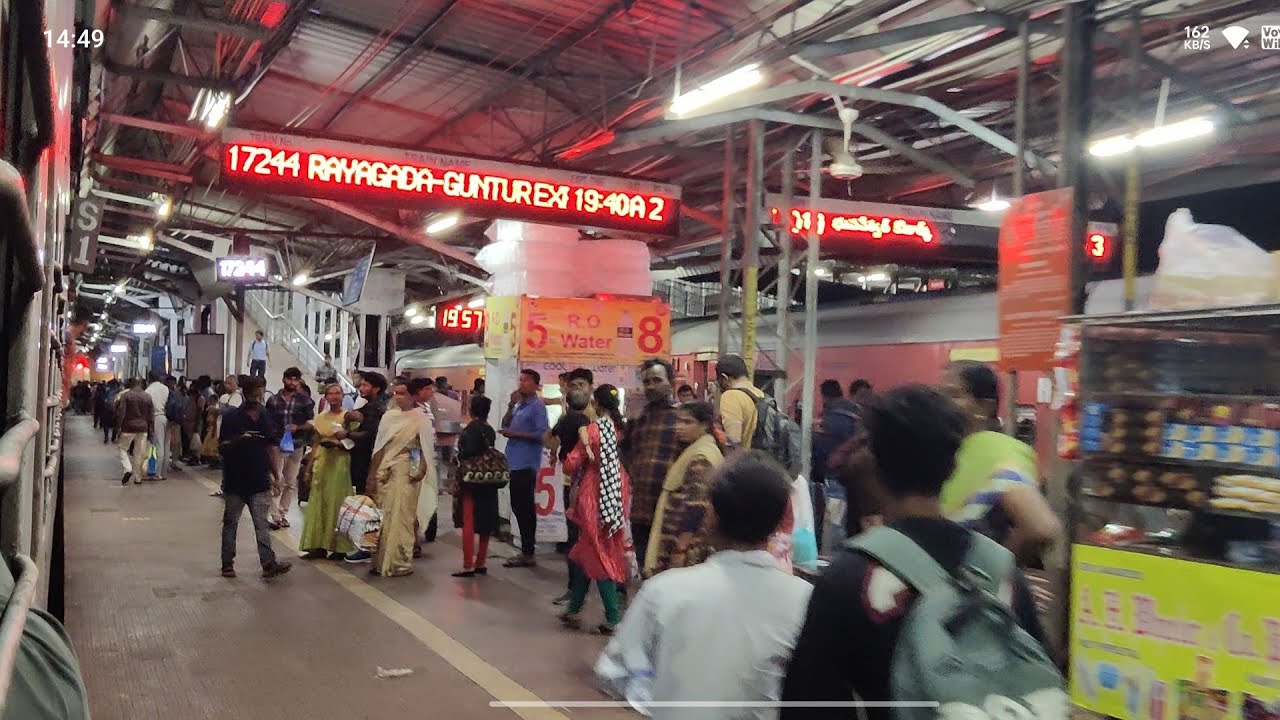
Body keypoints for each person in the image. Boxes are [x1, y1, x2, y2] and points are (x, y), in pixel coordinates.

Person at [779, 385, 1049, 718]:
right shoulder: (1002, 572)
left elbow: (808, 704)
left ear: (874, 466)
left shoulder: (851, 577)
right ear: (952, 468)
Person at [596, 451, 812, 718]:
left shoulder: (663, 591)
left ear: (713, 516)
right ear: (780, 520)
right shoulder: (806, 600)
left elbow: (615, 672)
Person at [940, 361, 1062, 564]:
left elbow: (1041, 529)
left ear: (984, 407)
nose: (941, 402)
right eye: (939, 394)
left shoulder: (999, 450)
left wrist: (998, 569)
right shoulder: (953, 449)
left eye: (953, 394)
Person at [560, 385, 632, 634]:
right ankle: (574, 608)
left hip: (594, 496)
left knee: (598, 553)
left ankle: (613, 617)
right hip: (617, 493)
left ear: (597, 404)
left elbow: (571, 465)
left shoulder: (592, 430)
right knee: (586, 551)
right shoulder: (622, 430)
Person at [218, 377, 293, 580]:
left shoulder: (265, 416)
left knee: (262, 524)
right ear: (245, 392)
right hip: (235, 479)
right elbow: (221, 447)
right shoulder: (231, 417)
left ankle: (268, 563)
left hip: (259, 479)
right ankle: (227, 564)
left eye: (260, 390)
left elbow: (270, 447)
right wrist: (238, 440)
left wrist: (276, 476)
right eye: (254, 391)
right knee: (231, 522)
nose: (257, 395)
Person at [644, 401, 725, 577]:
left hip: (688, 546)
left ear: (704, 425)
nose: (679, 427)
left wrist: (681, 548)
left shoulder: (701, 456)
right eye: (678, 421)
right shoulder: (699, 449)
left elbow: (697, 505)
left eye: (687, 422)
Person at [367, 380, 437, 577]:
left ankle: (399, 562)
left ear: (412, 395)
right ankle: (380, 561)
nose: (398, 397)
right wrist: (372, 476)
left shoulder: (420, 418)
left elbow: (425, 449)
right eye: (395, 393)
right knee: (384, 516)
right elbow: (379, 448)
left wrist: (422, 468)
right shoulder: (388, 417)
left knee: (403, 516)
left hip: (406, 471)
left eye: (402, 393)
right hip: (385, 471)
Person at [621, 358, 681, 570]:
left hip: (671, 511)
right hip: (641, 508)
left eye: (657, 380)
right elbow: (625, 451)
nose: (651, 386)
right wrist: (637, 473)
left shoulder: (684, 418)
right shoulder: (639, 419)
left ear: (671, 382)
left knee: (668, 570)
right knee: (645, 566)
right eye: (647, 382)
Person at [299, 384, 357, 560]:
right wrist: (308, 470)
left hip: (339, 462)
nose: (334, 397)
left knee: (337, 502)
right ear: (325, 396)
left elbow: (353, 441)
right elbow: (315, 443)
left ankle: (338, 546)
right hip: (322, 462)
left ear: (342, 396)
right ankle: (317, 545)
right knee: (318, 502)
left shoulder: (347, 416)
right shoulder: (320, 418)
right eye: (330, 394)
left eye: (337, 393)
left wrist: (338, 444)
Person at [501, 368, 550, 568]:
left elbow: (542, 435)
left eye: (526, 381)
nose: (521, 384)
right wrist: (510, 404)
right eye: (520, 380)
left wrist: (515, 435)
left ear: (536, 385)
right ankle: (526, 550)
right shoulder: (519, 405)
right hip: (514, 461)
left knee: (525, 507)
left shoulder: (537, 407)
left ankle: (528, 552)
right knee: (517, 506)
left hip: (526, 463)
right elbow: (506, 422)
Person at [548, 389, 592, 604]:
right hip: (582, 480)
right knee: (581, 535)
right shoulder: (585, 421)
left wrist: (554, 455)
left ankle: (575, 587)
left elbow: (550, 438)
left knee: (573, 535)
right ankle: (578, 587)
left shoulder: (564, 419)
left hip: (569, 480)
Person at [811, 379, 862, 550]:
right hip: (855, 477)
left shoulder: (830, 417)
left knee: (835, 521)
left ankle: (836, 557)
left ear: (824, 396)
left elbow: (820, 448)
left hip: (833, 477)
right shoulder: (856, 411)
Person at [453, 395, 500, 578]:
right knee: (485, 522)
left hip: (471, 481)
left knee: (468, 522)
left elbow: (467, 454)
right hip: (489, 480)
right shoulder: (489, 430)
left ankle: (467, 564)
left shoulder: (471, 430)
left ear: (471, 409)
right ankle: (481, 561)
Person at [266, 367, 315, 529]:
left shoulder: (305, 401)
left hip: (296, 444)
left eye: (296, 379)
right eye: (290, 379)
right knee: (274, 479)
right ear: (284, 379)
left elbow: (311, 423)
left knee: (290, 481)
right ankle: (274, 515)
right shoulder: (273, 400)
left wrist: (298, 427)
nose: (292, 382)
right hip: (276, 445)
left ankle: (281, 513)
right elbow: (268, 423)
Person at [346, 372, 387, 497]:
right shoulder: (367, 406)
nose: (361, 388)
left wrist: (347, 433)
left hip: (367, 458)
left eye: (365, 385)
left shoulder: (378, 409)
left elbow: (370, 433)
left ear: (376, 389)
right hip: (360, 457)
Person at [716, 354, 765, 448]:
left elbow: (733, 440)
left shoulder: (731, 396)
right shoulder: (761, 395)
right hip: (765, 459)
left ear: (724, 378)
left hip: (745, 460)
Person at [114, 379, 154, 485]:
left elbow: (122, 412)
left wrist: (119, 427)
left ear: (131, 385)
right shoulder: (148, 396)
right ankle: (138, 478)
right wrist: (151, 429)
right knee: (139, 453)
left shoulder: (126, 396)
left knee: (122, 448)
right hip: (143, 428)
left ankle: (127, 469)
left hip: (128, 427)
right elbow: (151, 416)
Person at [145, 373, 171, 480]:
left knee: (158, 445)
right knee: (166, 445)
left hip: (156, 417)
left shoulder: (148, 391)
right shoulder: (165, 388)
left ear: (149, 378)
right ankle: (164, 472)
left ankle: (156, 472)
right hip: (167, 417)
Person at [97, 379, 120, 444]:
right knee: (115, 424)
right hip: (116, 409)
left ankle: (106, 437)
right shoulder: (119, 391)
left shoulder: (107, 390)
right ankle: (113, 438)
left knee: (106, 424)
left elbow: (103, 399)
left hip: (106, 409)